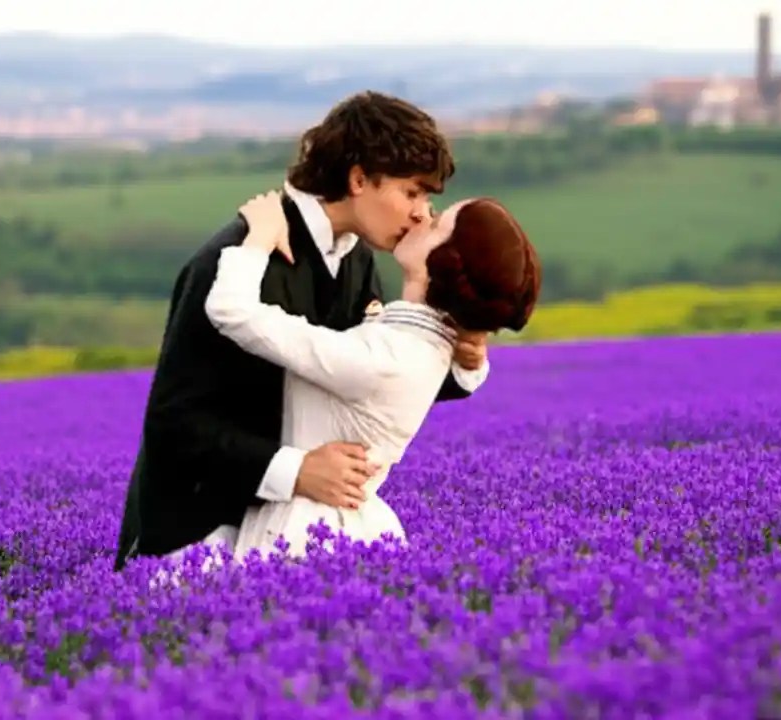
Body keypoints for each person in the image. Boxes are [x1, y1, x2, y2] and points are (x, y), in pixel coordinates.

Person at [113, 91, 490, 569]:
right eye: (412, 192)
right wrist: (297, 472)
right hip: (196, 535)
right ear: (358, 179)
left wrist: (462, 361)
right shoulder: (236, 260)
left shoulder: (355, 259)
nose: (421, 213)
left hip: (292, 528)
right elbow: (175, 425)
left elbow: (369, 379)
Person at [205, 190, 540, 559]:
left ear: (445, 262)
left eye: (437, 222)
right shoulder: (429, 346)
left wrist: (259, 236)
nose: (421, 216)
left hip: (304, 538)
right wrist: (469, 356)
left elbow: (231, 311)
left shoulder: (384, 358)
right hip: (349, 531)